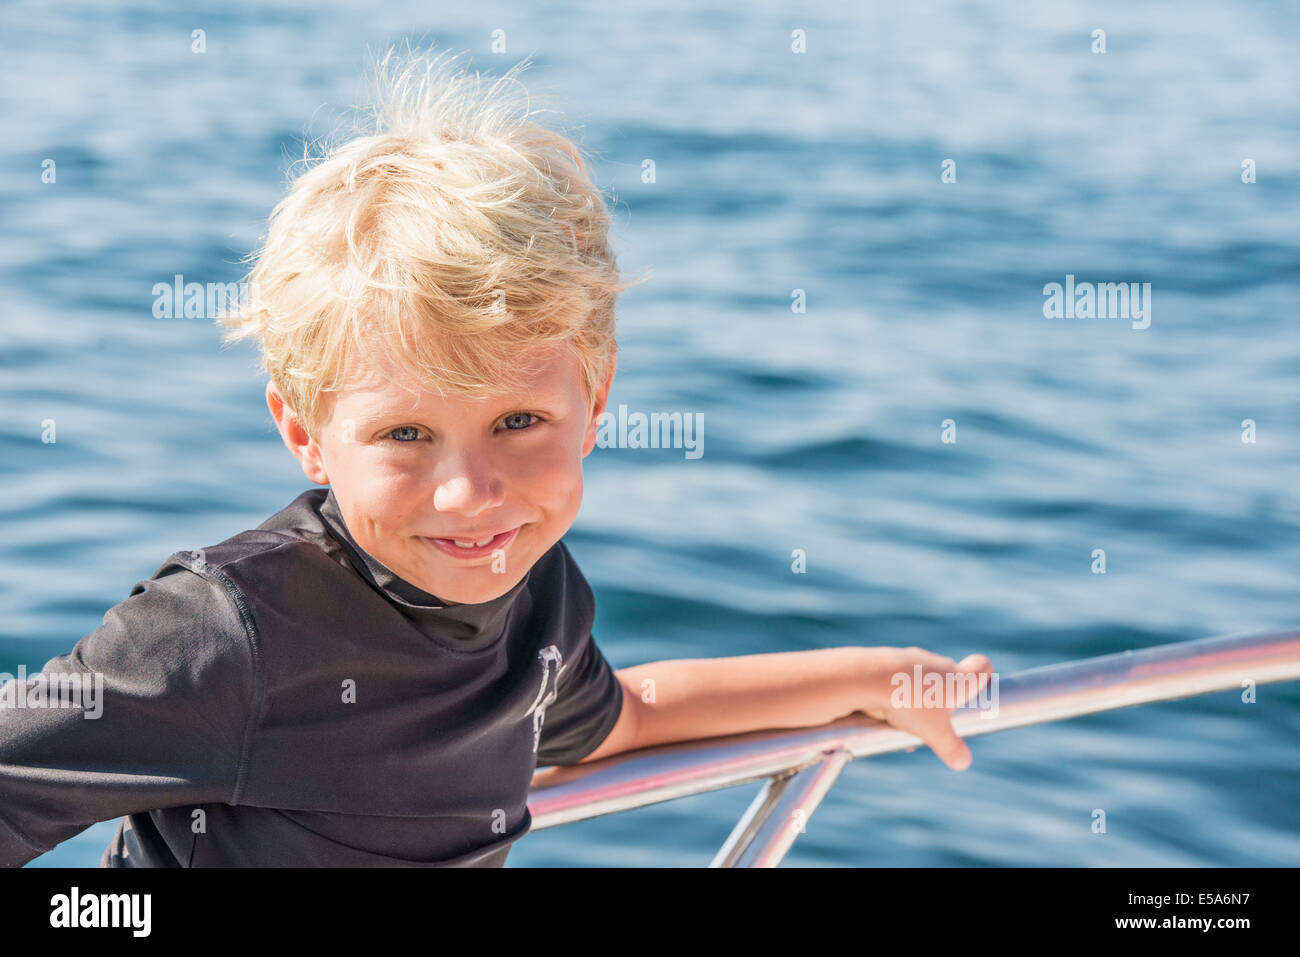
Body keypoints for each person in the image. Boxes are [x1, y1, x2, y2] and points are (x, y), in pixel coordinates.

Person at [0, 48, 992, 868]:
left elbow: (622, 719)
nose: (472, 494)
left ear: (595, 402)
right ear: (305, 433)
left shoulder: (533, 595)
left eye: (518, 423)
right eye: (405, 434)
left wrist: (875, 675)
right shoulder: (223, 634)